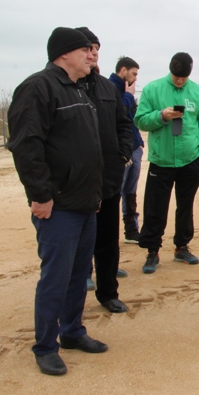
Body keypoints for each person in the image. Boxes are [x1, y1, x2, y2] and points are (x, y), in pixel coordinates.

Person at [7, 27, 110, 376]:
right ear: (64, 54)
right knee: (56, 277)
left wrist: (95, 195)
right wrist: (40, 196)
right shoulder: (38, 87)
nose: (91, 55)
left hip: (84, 203)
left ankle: (72, 332)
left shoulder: (80, 88)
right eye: (85, 50)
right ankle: (45, 346)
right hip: (59, 206)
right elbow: (26, 146)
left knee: (79, 274)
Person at [134, 52, 199, 273]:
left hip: (191, 161)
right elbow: (140, 121)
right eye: (176, 76)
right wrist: (161, 116)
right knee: (155, 208)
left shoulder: (198, 92)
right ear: (170, 70)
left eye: (183, 77)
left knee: (185, 207)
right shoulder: (153, 89)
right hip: (162, 161)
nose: (179, 80)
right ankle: (152, 251)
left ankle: (182, 247)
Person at [76, 28, 134, 313]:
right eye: (88, 47)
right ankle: (75, 294)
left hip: (108, 179)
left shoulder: (107, 87)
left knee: (108, 240)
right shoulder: (62, 86)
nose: (94, 52)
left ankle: (108, 292)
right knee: (76, 243)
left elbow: (124, 124)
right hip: (74, 183)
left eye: (97, 47)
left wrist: (122, 152)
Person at [108, 56, 144, 244]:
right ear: (123, 71)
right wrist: (128, 96)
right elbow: (117, 114)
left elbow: (133, 119)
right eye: (134, 74)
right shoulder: (109, 87)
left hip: (134, 147)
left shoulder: (125, 90)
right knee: (115, 192)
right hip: (120, 151)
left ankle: (131, 230)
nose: (135, 79)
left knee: (130, 191)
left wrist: (138, 144)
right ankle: (111, 234)